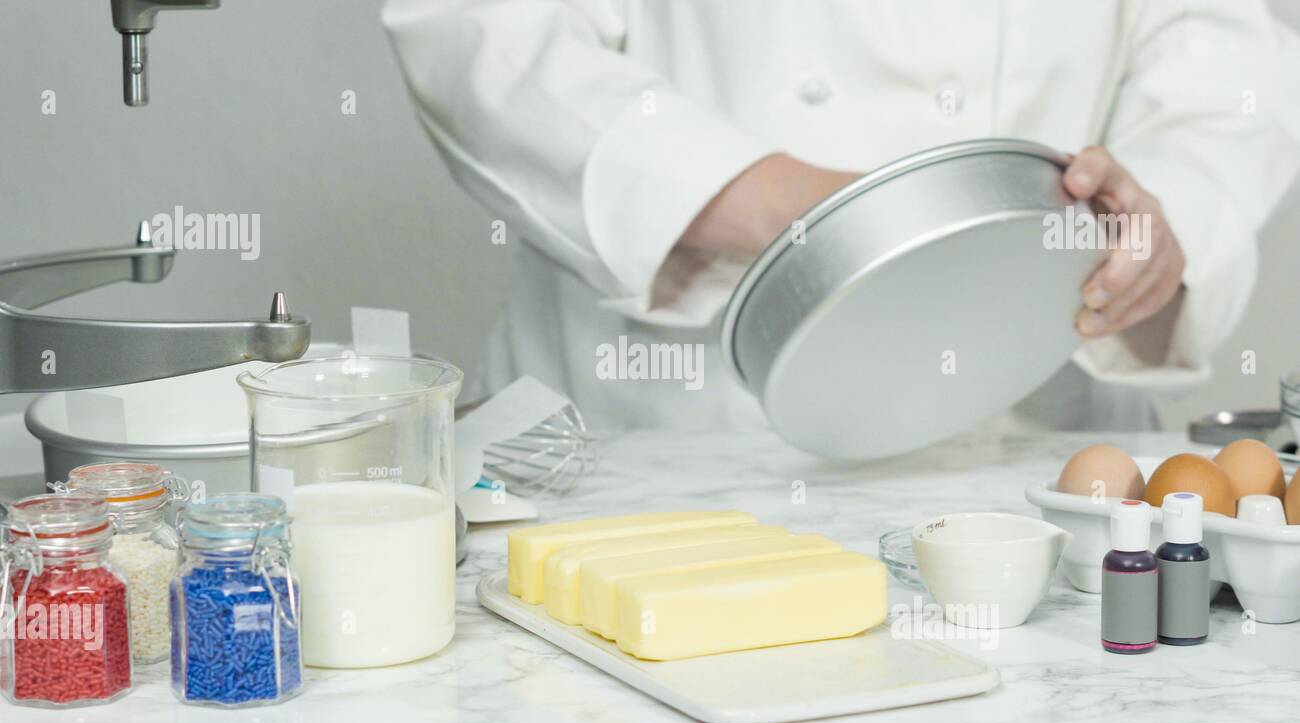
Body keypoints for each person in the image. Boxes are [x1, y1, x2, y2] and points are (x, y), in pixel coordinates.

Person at [382, 0, 1299, 436]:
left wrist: (1160, 217)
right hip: (668, 427)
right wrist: (790, 209)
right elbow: (480, 29)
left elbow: (1227, 60)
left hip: (1029, 430)